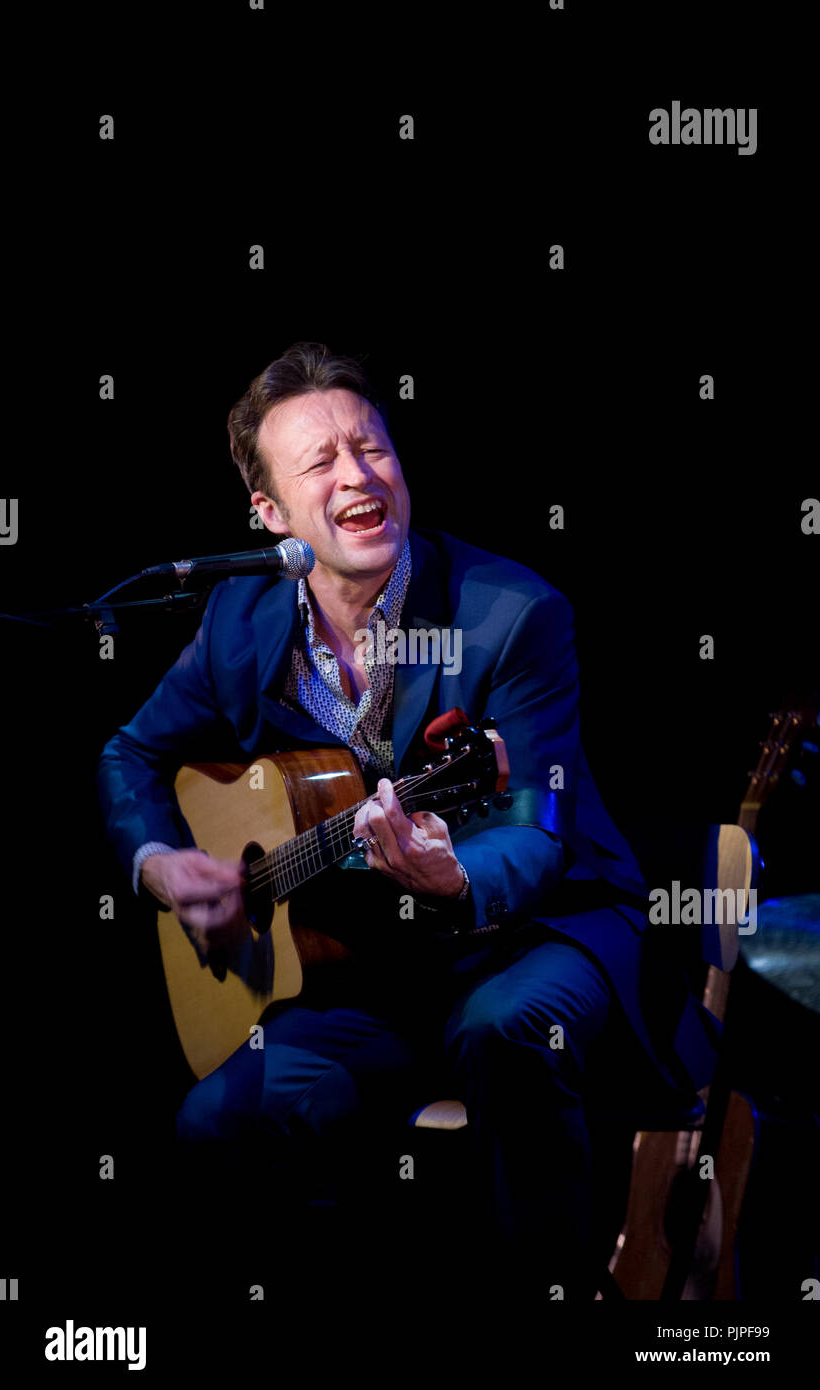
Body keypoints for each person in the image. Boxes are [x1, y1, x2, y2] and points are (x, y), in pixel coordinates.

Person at [96, 342, 720, 1300]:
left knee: (505, 1028)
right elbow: (128, 755)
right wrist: (159, 865)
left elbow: (532, 824)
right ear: (270, 517)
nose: (357, 476)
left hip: (541, 932)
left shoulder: (512, 615)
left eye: (372, 449)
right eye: (320, 463)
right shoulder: (237, 620)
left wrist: (457, 880)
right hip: (375, 974)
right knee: (216, 1122)